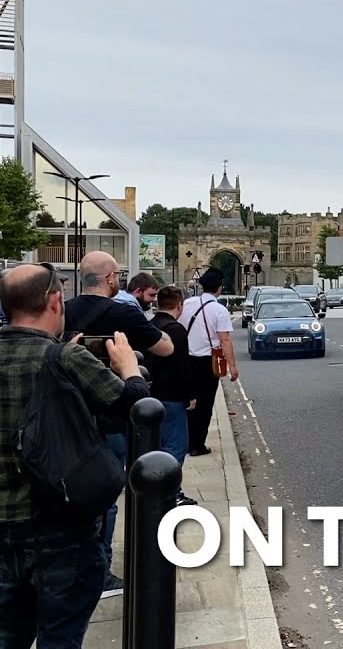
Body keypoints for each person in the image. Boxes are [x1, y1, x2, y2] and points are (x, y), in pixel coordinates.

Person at [0, 262, 149, 645]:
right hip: (57, 526)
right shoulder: (66, 358)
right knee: (60, 637)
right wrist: (129, 368)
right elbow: (134, 408)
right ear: (54, 300)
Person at [62, 251, 173, 597]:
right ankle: (100, 569)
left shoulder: (62, 312)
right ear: (110, 278)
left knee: (70, 493)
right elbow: (166, 348)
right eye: (118, 276)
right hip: (112, 416)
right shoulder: (124, 313)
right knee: (108, 496)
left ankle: (71, 563)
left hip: (69, 418)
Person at [179, 268, 240, 457]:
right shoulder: (219, 310)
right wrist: (232, 366)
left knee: (188, 402)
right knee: (205, 404)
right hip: (208, 362)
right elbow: (225, 340)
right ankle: (197, 444)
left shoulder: (187, 303)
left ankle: (185, 440)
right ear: (219, 288)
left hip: (185, 360)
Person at [148, 285, 199, 505]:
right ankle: (171, 492)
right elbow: (182, 366)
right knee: (176, 446)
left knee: (156, 445)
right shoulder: (177, 330)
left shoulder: (150, 326)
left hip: (151, 394)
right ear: (180, 305)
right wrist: (190, 394)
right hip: (172, 395)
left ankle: (157, 488)